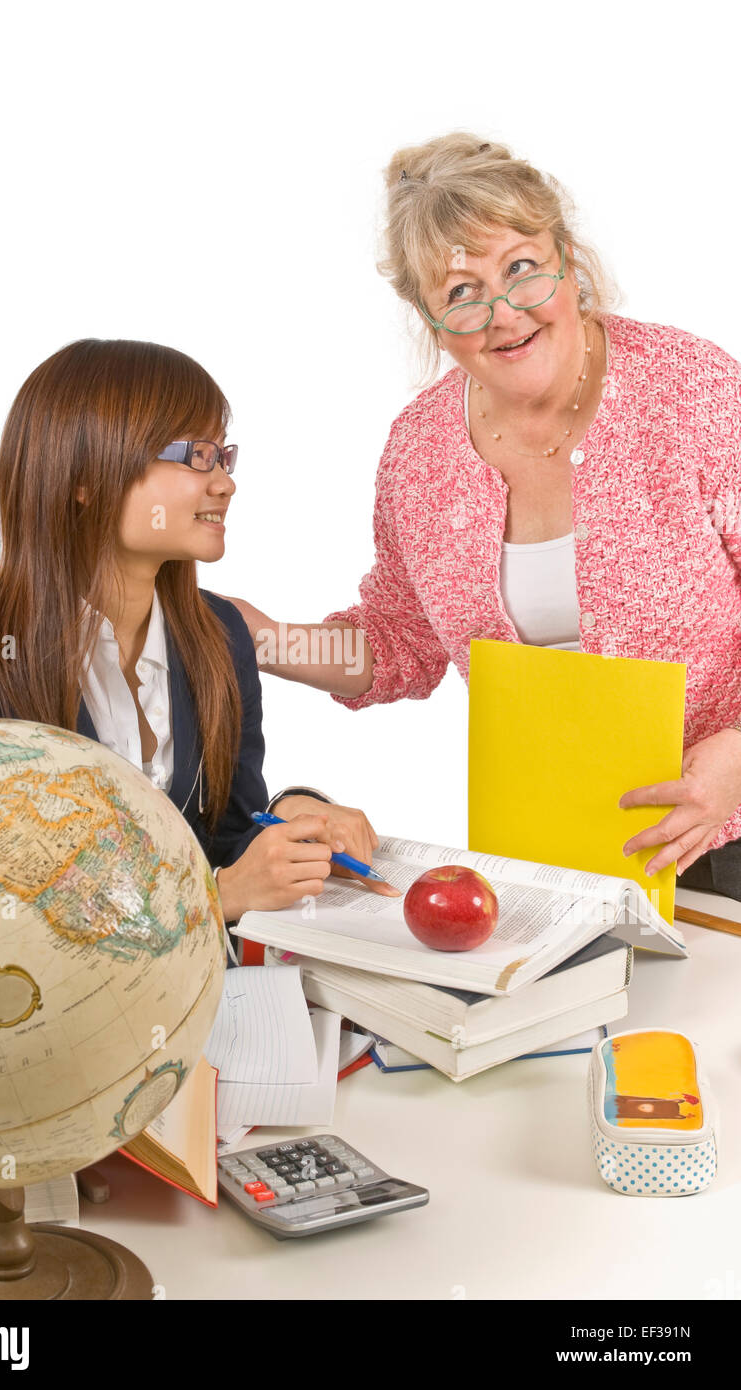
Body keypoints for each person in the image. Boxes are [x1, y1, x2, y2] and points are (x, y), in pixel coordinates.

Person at [227, 131, 741, 900]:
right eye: (460, 292)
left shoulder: (690, 390)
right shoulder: (418, 451)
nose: (503, 313)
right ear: (428, 317)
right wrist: (258, 636)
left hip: (726, 829)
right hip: (555, 850)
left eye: (522, 270)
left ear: (568, 261)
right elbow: (398, 641)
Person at [0, 338, 397, 934]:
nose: (225, 484)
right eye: (196, 456)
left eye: (224, 456)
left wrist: (289, 815)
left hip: (216, 1000)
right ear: (84, 477)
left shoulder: (219, 634)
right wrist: (217, 897)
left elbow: (225, 835)